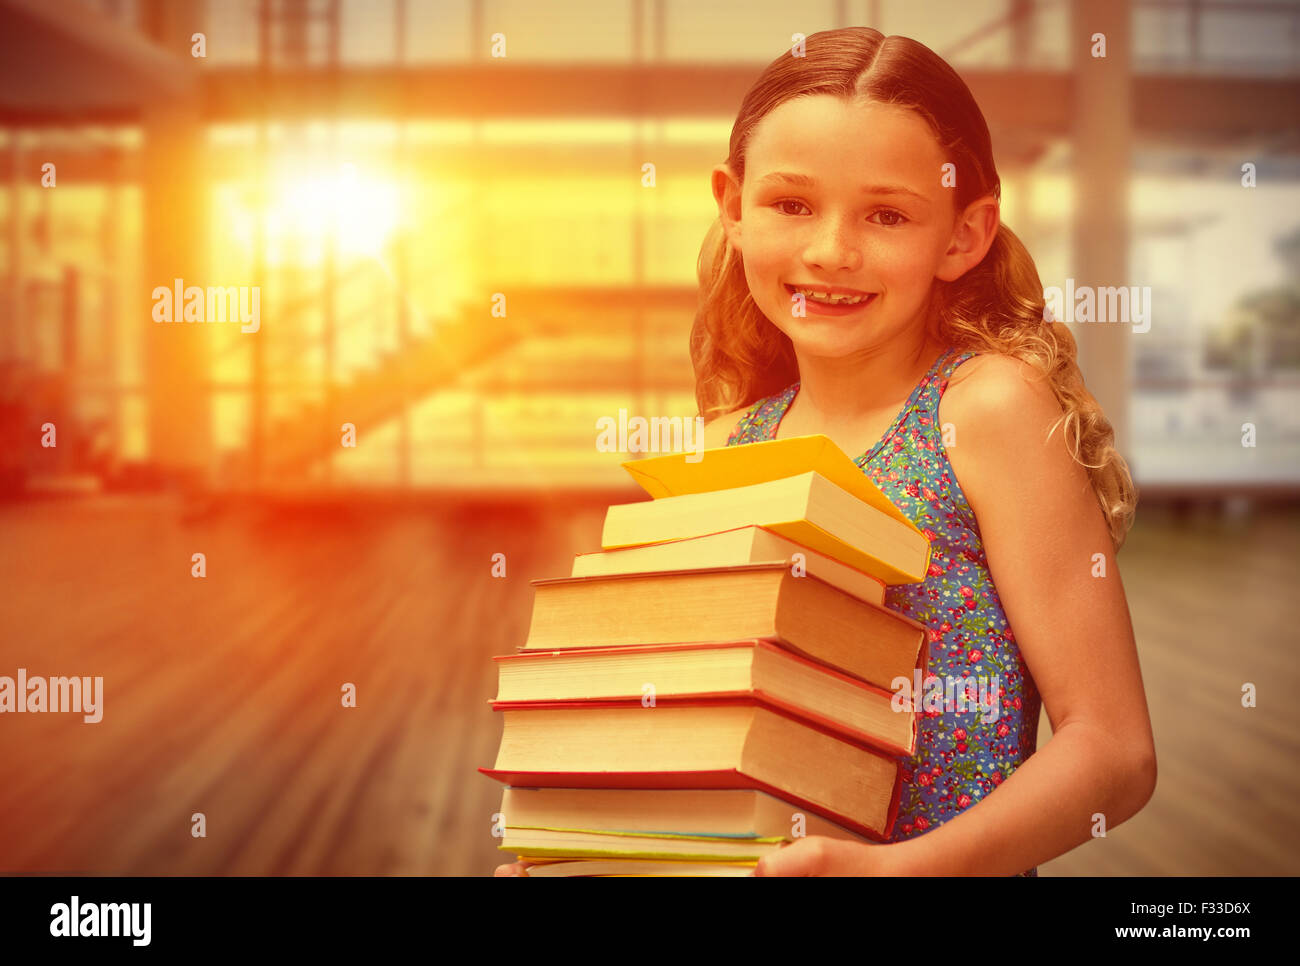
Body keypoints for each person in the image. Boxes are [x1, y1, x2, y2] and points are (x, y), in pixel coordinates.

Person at [497, 26, 1156, 877]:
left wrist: (896, 874)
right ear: (732, 208)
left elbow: (1114, 752)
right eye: (792, 204)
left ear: (964, 234)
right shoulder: (723, 445)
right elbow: (694, 737)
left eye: (886, 214)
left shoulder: (987, 410)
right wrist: (596, 850)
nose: (829, 252)